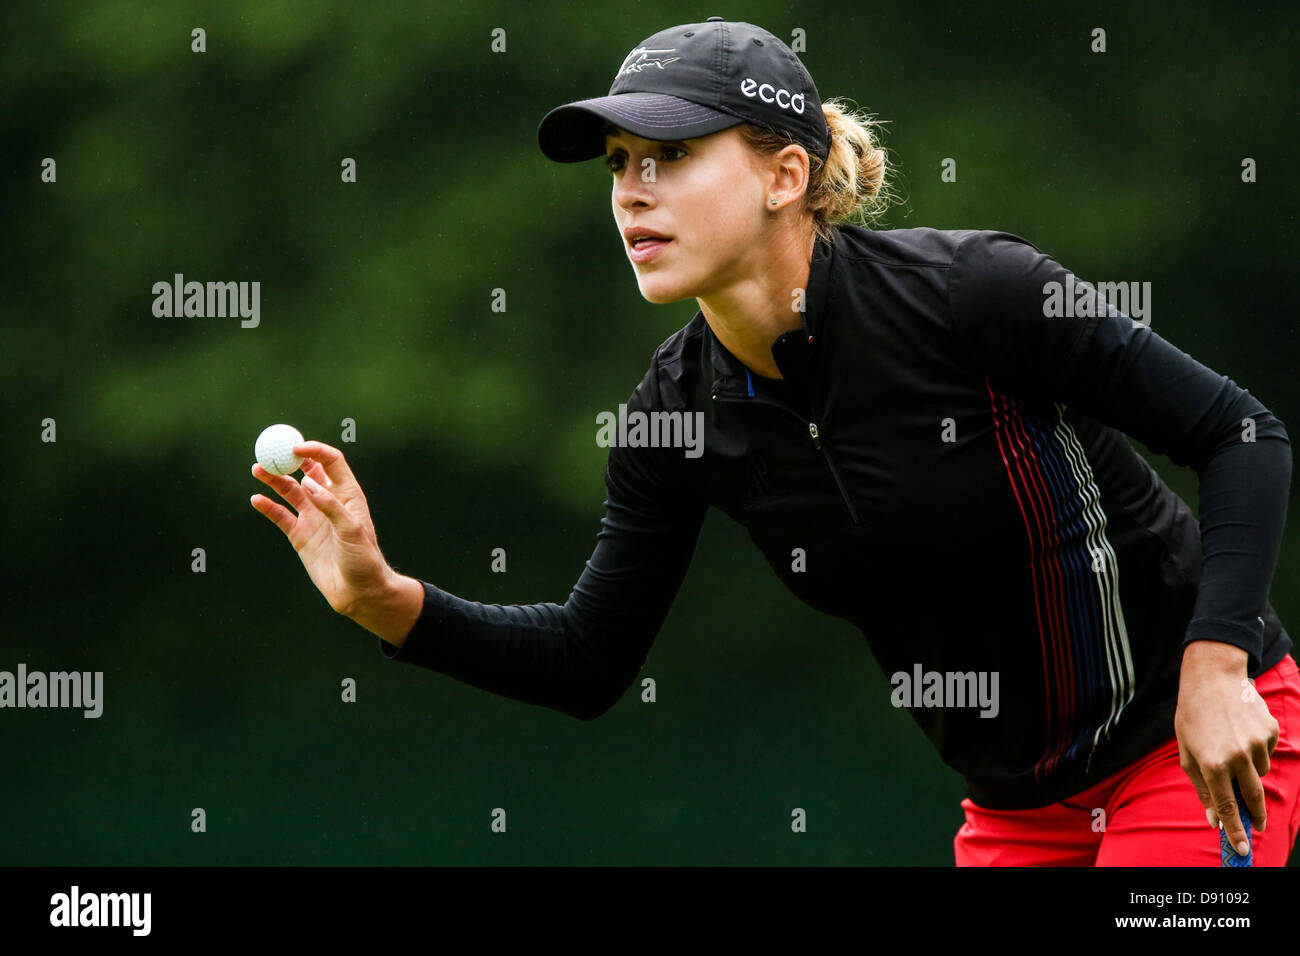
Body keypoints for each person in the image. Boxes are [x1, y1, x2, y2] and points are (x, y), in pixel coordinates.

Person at [250, 19, 1298, 866]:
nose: (630, 189)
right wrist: (387, 599)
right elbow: (588, 658)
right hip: (1016, 815)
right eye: (619, 163)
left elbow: (1241, 431)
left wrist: (1215, 669)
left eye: (669, 155)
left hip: (1195, 744)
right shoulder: (672, 415)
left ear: (784, 175)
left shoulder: (977, 294)